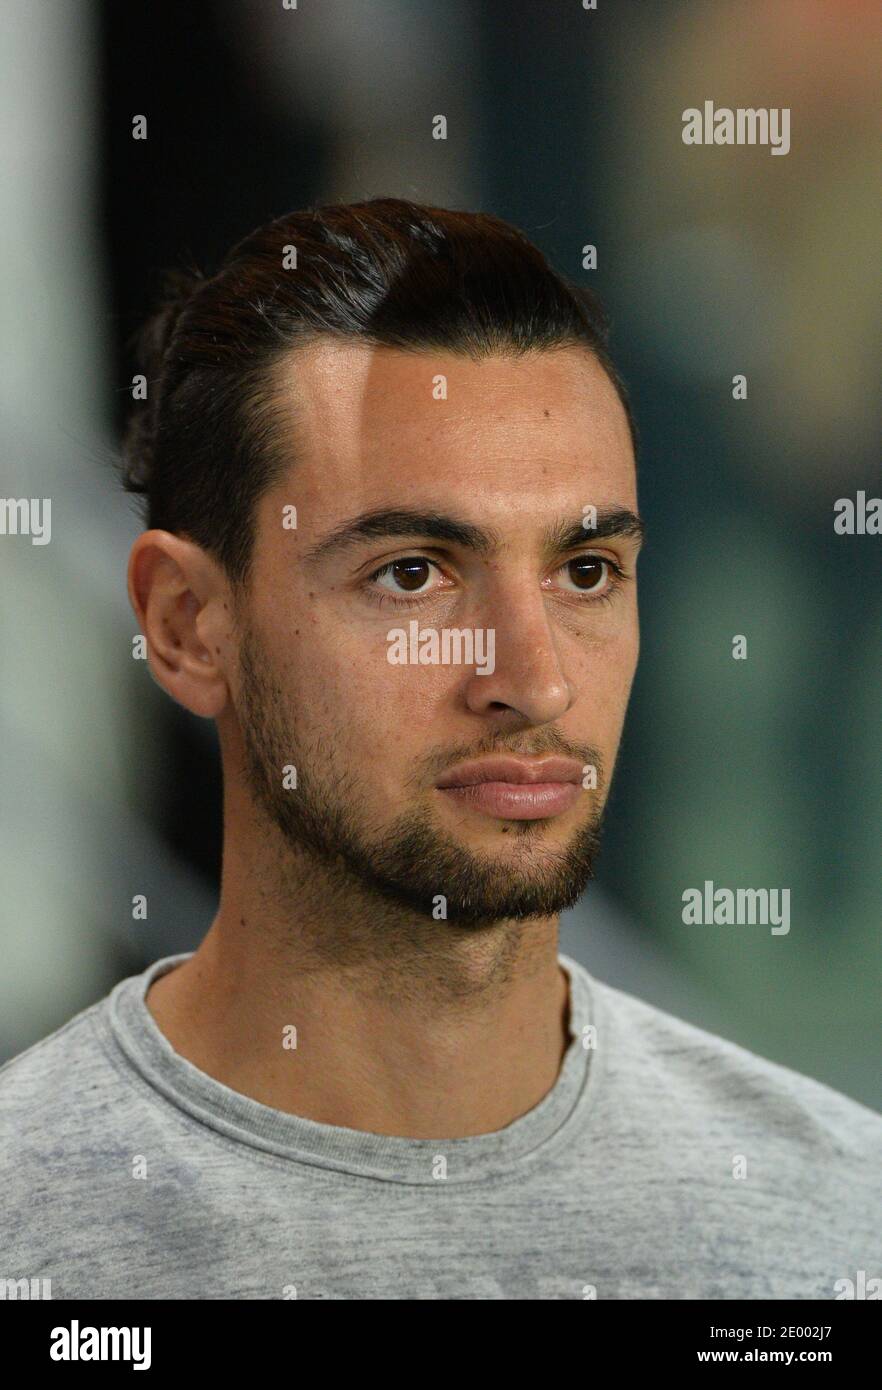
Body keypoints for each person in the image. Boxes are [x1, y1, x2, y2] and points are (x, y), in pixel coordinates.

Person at [1, 199, 878, 1300]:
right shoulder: (28, 1227)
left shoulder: (835, 1228)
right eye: (412, 572)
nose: (535, 677)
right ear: (186, 623)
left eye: (587, 570)